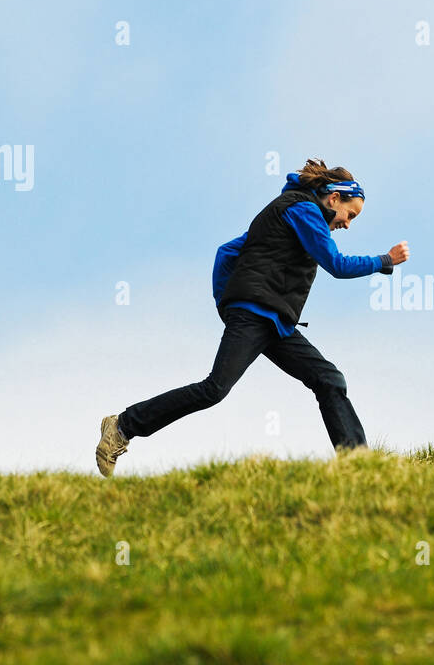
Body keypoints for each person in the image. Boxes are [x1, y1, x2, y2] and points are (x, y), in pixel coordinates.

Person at [95, 158, 409, 476]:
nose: (348, 224)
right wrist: (385, 260)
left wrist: (226, 303)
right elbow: (337, 265)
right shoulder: (304, 210)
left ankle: (358, 463)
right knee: (214, 389)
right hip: (253, 315)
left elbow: (229, 251)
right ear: (334, 198)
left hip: (276, 324)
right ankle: (122, 426)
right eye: (349, 215)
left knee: (329, 379)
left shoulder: (292, 212)